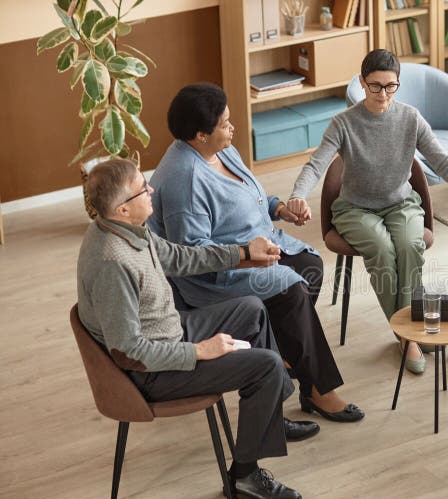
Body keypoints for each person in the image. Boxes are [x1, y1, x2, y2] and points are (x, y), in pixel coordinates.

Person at [77, 159, 322, 499]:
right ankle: (244, 477)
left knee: (252, 308)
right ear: (123, 208)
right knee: (266, 366)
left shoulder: (128, 229)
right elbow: (128, 351)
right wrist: (200, 351)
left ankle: (269, 418)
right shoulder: (112, 263)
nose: (151, 190)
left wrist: (242, 253)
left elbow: (180, 258)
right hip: (153, 371)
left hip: (169, 331)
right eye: (142, 188)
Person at [148, 83, 364, 423]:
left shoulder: (221, 150)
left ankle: (286, 355)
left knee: (309, 264)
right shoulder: (184, 182)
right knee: (292, 292)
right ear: (201, 135)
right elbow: (191, 255)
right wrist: (245, 253)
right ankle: (317, 389)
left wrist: (279, 209)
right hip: (217, 276)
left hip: (255, 246)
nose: (232, 128)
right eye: (225, 124)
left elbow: (249, 194)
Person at [285, 49, 448, 374]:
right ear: (362, 82)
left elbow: (442, 160)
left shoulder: (410, 118)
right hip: (355, 209)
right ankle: (409, 336)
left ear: (398, 83)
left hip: (401, 204)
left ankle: (408, 331)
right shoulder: (344, 123)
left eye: (390, 86)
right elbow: (316, 164)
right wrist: (297, 195)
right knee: (382, 249)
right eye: (375, 86)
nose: (383, 94)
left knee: (409, 245)